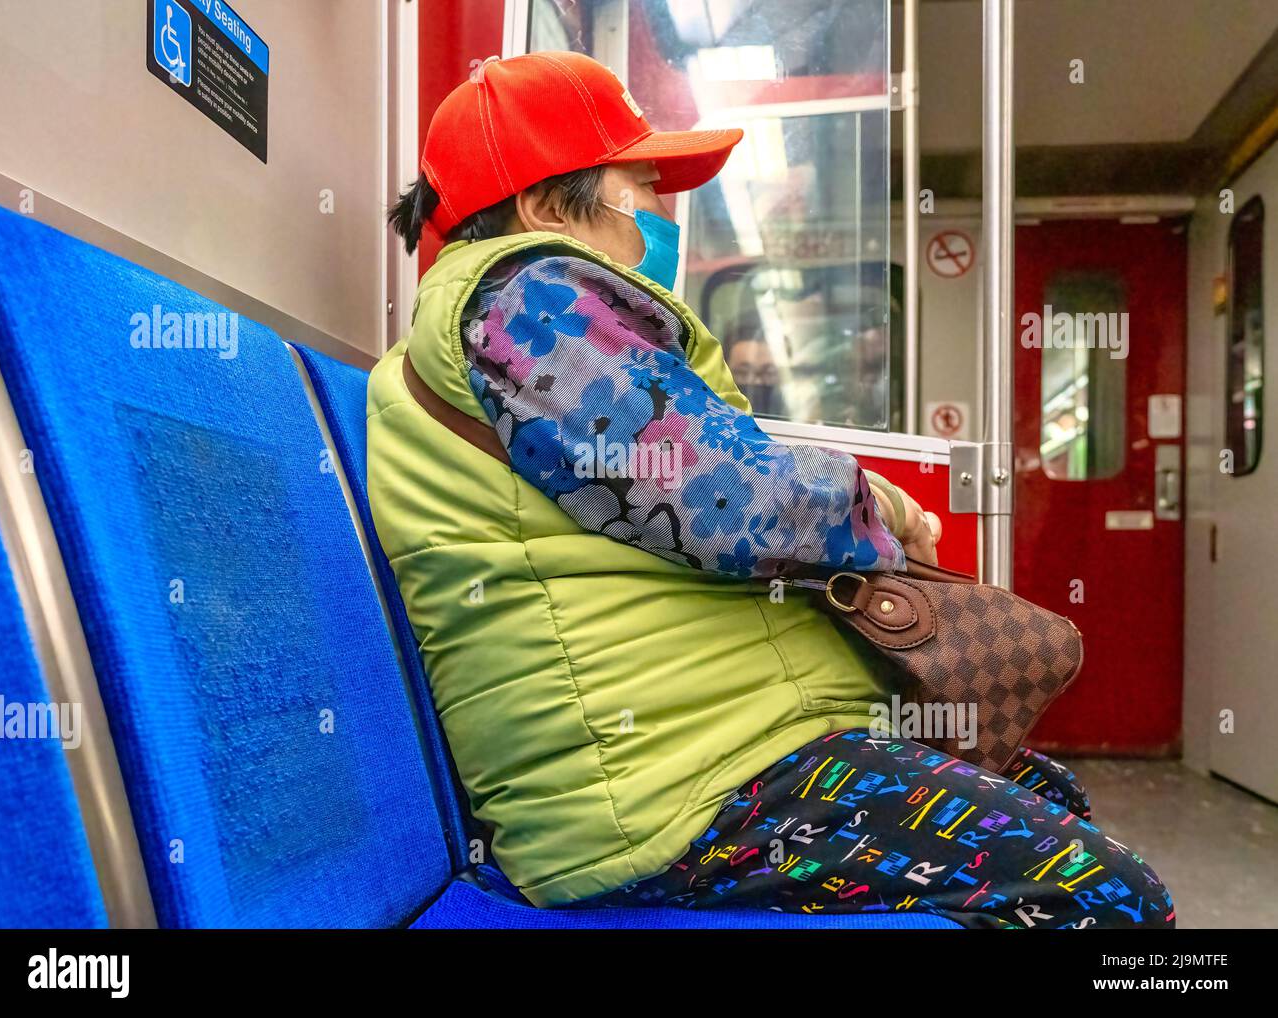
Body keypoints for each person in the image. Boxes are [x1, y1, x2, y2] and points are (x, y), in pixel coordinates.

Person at [369, 51, 1173, 928]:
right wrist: (877, 513)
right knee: (1105, 898)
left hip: (714, 752)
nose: (656, 219)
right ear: (537, 205)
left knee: (1049, 798)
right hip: (668, 792)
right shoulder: (526, 304)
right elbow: (735, 507)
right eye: (638, 188)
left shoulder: (515, 323)